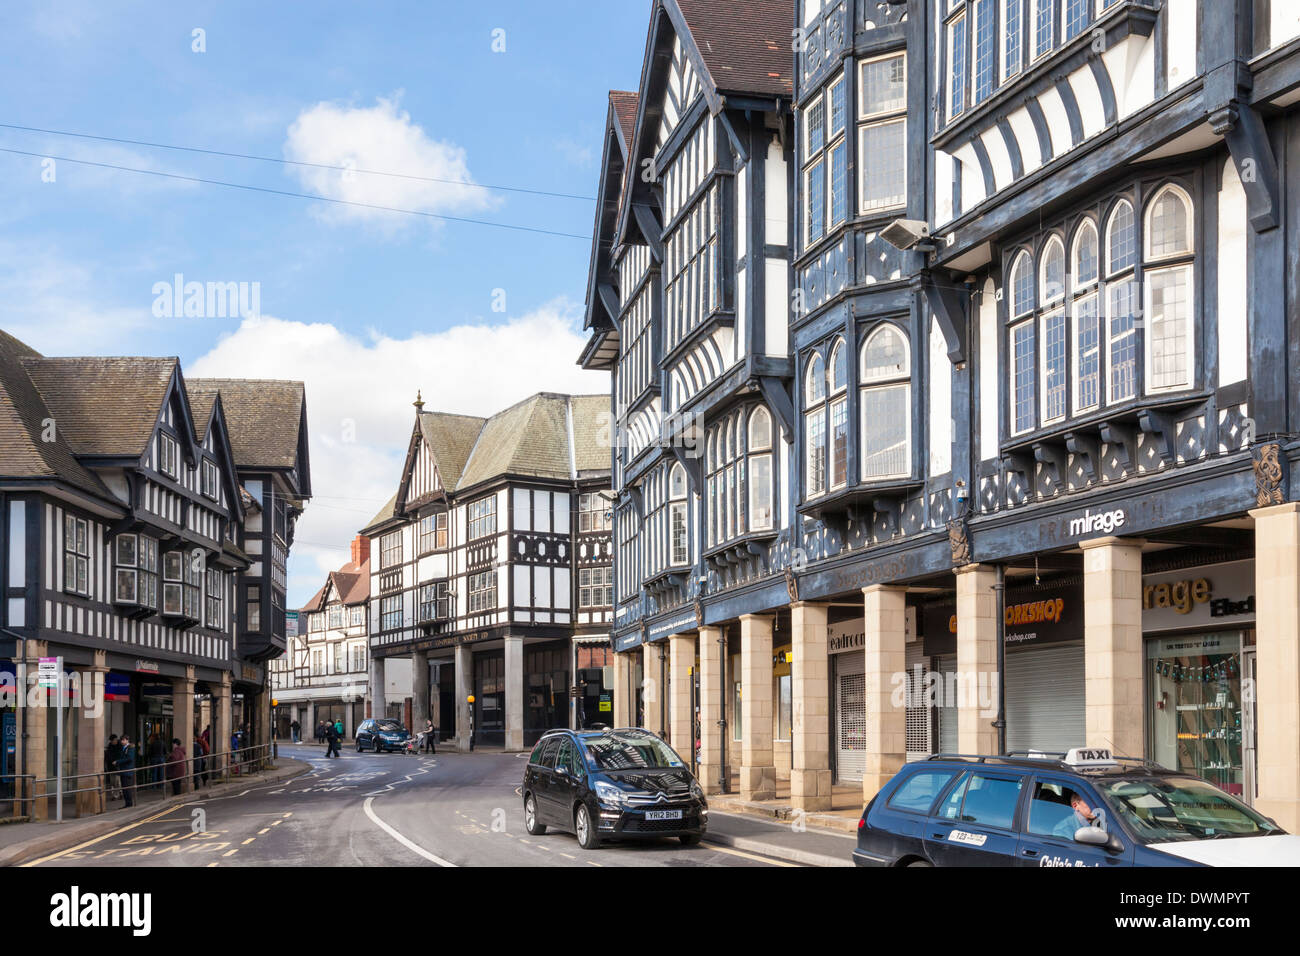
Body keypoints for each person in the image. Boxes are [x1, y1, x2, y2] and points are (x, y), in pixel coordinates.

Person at [117, 735, 137, 807]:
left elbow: (129, 758)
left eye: (123, 740)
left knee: (127, 788)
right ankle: (127, 803)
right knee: (124, 788)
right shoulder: (124, 748)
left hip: (127, 771)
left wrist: (118, 762)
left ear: (127, 740)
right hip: (123, 771)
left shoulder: (130, 748)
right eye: (121, 740)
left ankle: (129, 803)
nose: (122, 742)